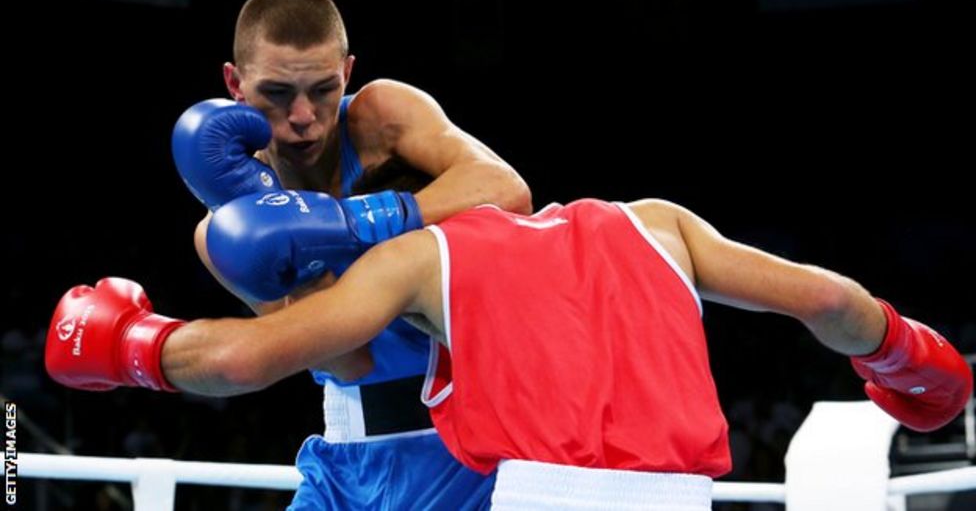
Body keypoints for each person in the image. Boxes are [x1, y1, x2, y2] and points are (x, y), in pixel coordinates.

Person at [45, 194, 973, 509]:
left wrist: (132, 343)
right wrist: (908, 359)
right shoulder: (658, 226)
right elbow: (829, 300)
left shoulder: (426, 255)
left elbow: (250, 359)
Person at [169, 0, 531, 510]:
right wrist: (295, 249)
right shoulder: (223, 234)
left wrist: (349, 222)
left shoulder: (380, 117)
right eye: (277, 93)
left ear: (347, 72)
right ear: (235, 83)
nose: (303, 115)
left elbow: (507, 189)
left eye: (323, 89)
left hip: (468, 450)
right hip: (345, 461)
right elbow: (349, 361)